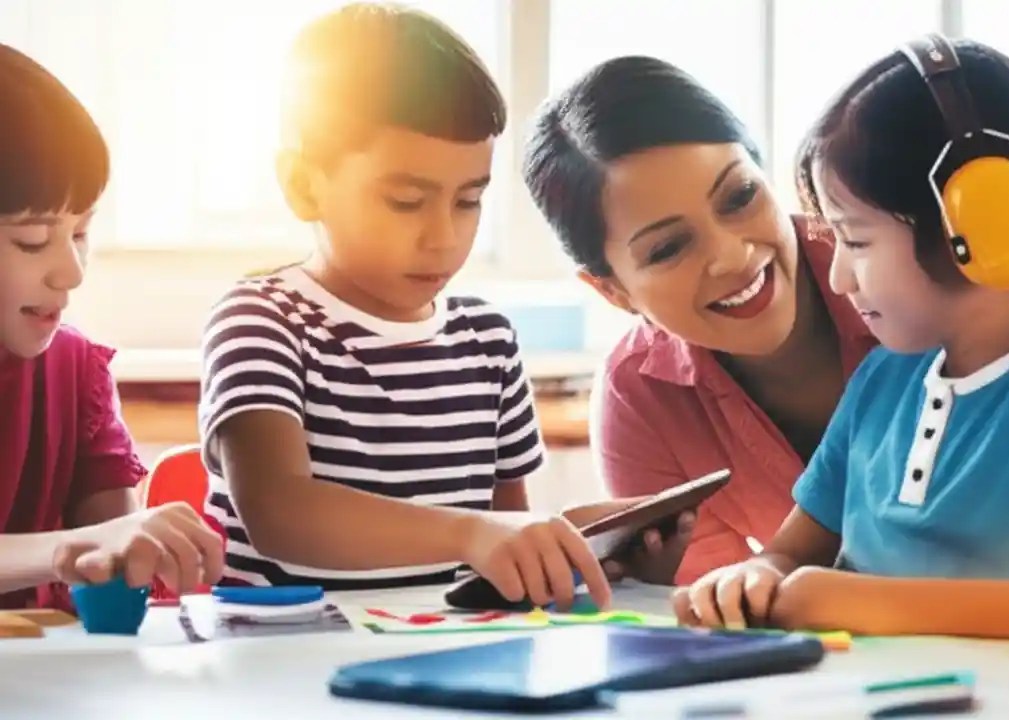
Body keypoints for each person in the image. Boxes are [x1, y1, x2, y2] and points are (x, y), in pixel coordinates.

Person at [522, 54, 1009, 586]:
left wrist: (845, 597)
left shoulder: (950, 292)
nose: (731, 255)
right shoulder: (647, 396)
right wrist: (679, 585)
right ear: (612, 289)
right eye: (668, 248)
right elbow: (757, 604)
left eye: (738, 197)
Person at [671, 37, 1009, 652]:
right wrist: (757, 578)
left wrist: (874, 604)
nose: (838, 278)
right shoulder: (881, 383)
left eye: (856, 241)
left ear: (979, 220)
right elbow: (788, 553)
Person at [199, 3, 621, 609]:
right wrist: (468, 531)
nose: (443, 236)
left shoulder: (487, 340)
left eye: (468, 201)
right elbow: (280, 512)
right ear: (302, 184)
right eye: (405, 200)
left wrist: (591, 546)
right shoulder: (263, 320)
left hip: (446, 652)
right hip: (285, 657)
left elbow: (505, 539)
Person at [0, 43, 223, 610]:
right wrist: (67, 548)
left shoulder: (73, 369)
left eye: (80, 233)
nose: (70, 273)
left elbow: (109, 570)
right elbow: (83, 545)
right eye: (31, 240)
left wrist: (129, 554)